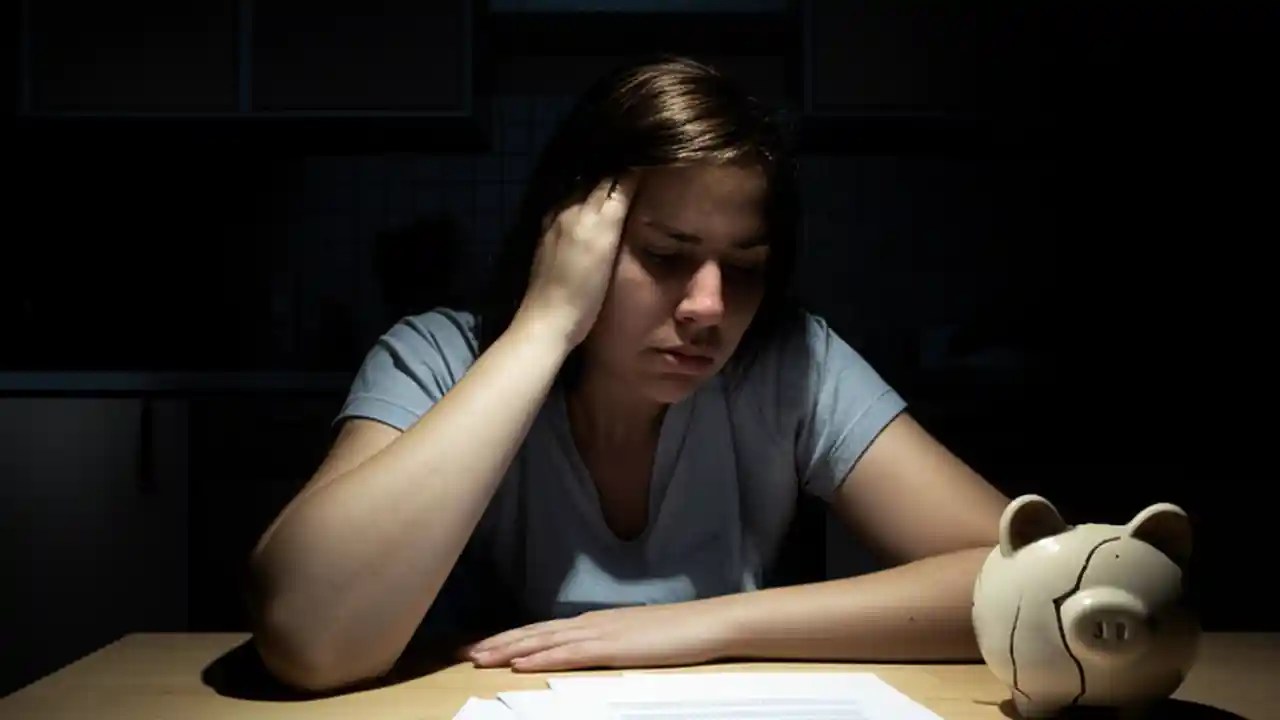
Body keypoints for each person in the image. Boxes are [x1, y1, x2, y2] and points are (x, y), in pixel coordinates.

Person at [246, 55, 1012, 692]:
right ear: (570, 236)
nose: (710, 305)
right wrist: (545, 325)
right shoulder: (438, 357)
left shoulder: (789, 363)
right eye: (665, 254)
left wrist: (702, 625)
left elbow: (1026, 575)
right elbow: (306, 638)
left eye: (745, 266)